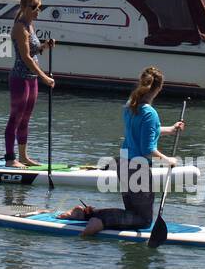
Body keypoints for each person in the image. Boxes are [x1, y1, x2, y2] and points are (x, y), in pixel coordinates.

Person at [60, 66, 183, 236]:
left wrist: (169, 130)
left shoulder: (130, 106)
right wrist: (169, 160)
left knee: (133, 213)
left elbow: (143, 130)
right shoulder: (150, 113)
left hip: (124, 163)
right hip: (138, 168)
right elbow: (148, 149)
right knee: (144, 220)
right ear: (159, 88)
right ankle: (100, 220)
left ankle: (85, 213)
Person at [4, 0, 55, 168]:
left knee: (26, 119)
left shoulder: (30, 25)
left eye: (39, 7)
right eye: (33, 7)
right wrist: (44, 77)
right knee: (15, 118)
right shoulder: (20, 27)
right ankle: (10, 159)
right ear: (24, 7)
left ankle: (24, 157)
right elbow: (25, 57)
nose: (37, 10)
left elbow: (33, 51)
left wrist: (45, 46)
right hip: (20, 78)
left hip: (31, 77)